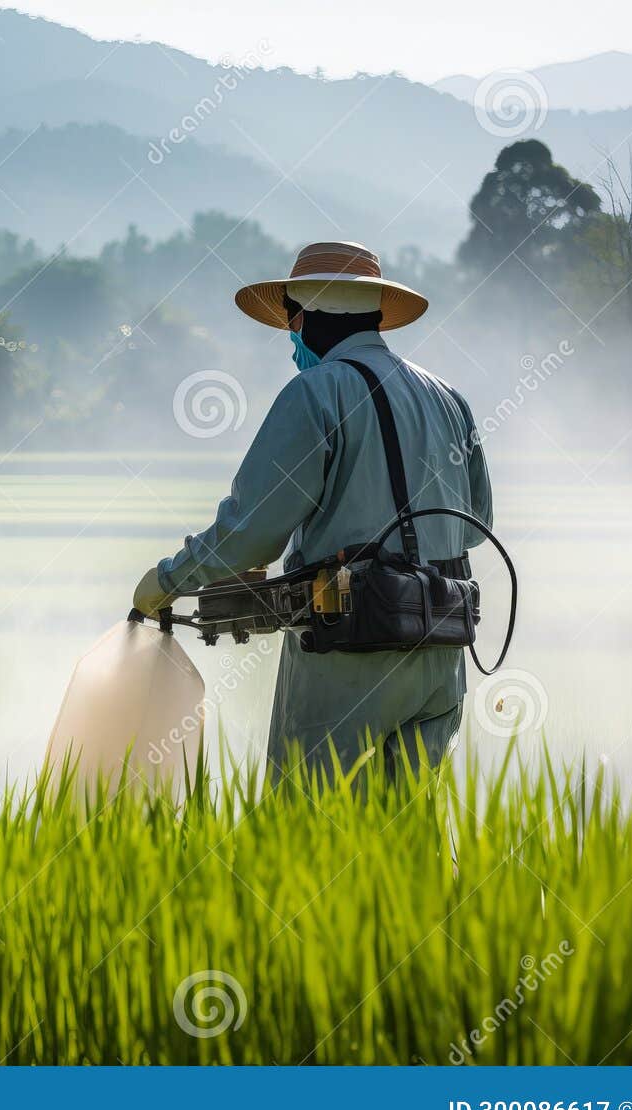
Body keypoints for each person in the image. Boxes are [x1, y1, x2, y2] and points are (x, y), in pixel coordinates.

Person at [132, 241, 492, 778]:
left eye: (289, 324)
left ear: (301, 318)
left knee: (311, 826)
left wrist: (168, 579)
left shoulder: (315, 391)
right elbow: (478, 524)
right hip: (441, 647)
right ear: (375, 315)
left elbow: (250, 531)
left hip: (347, 653)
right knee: (415, 838)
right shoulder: (448, 398)